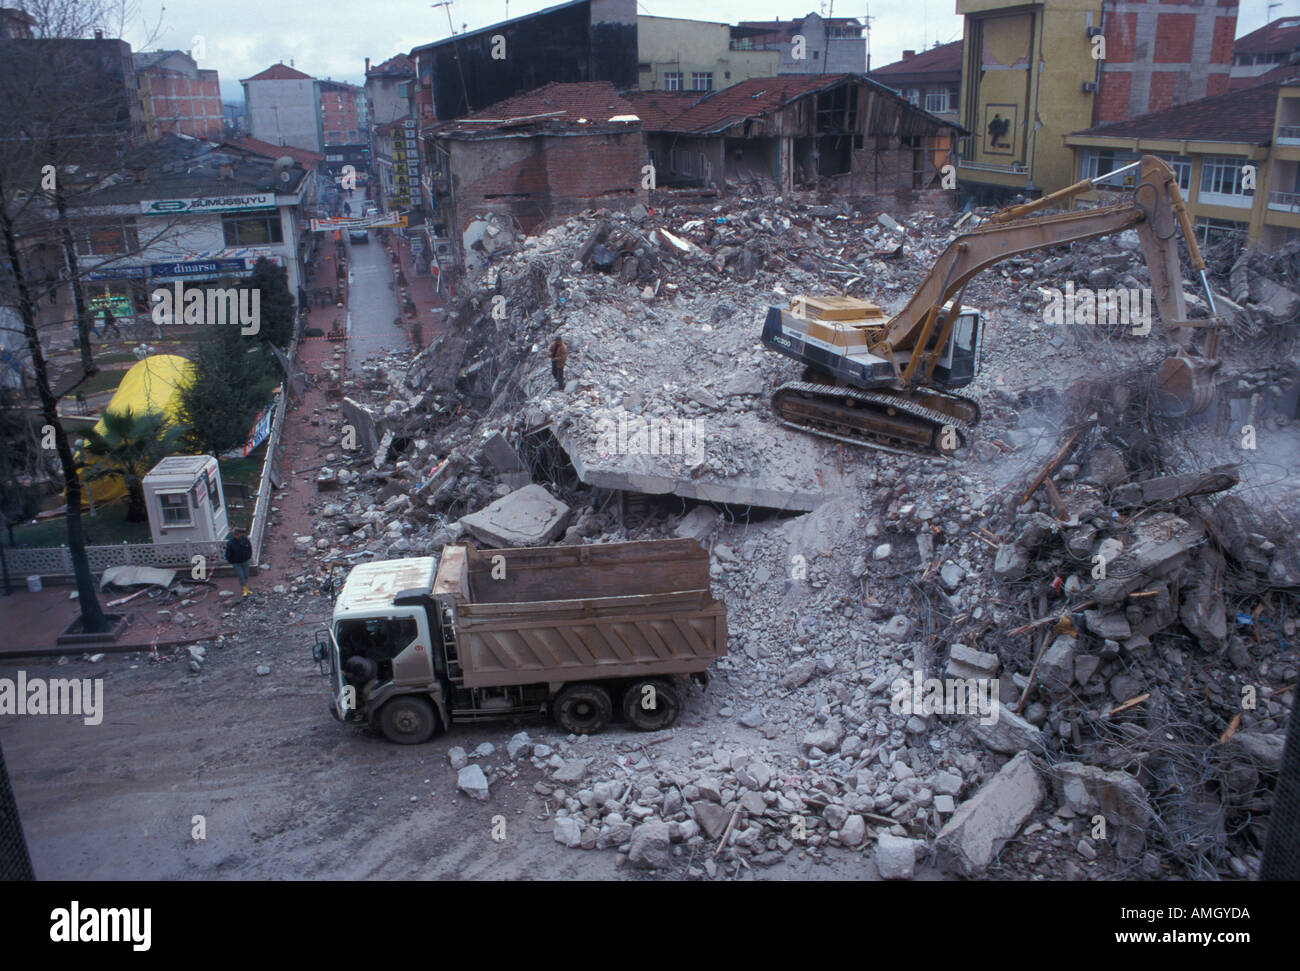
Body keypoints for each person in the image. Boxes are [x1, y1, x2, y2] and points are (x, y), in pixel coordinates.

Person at [224, 526, 253, 598]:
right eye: (235, 534)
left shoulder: (245, 539)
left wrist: (248, 556)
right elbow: (228, 554)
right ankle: (244, 590)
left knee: (246, 575)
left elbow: (249, 548)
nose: (236, 536)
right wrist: (231, 561)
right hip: (236, 563)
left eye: (237, 534)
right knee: (241, 576)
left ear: (240, 534)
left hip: (245, 561)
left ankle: (246, 588)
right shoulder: (230, 543)